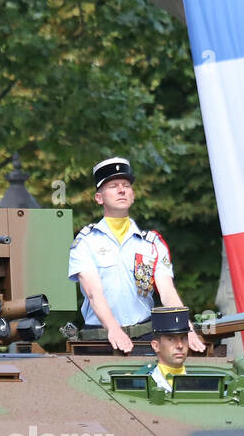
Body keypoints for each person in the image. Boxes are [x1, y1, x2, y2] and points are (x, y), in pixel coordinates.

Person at [68, 157, 205, 354]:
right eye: (113, 186)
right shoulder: (86, 242)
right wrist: (113, 329)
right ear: (99, 198)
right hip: (99, 339)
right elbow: (93, 293)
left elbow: (167, 293)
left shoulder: (152, 243)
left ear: (133, 195)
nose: (122, 190)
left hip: (145, 340)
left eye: (126, 185)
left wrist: (187, 329)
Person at [136, 306, 193, 392]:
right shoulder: (140, 382)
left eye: (183, 338)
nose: (180, 345)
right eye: (171, 339)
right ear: (156, 346)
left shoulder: (200, 382)